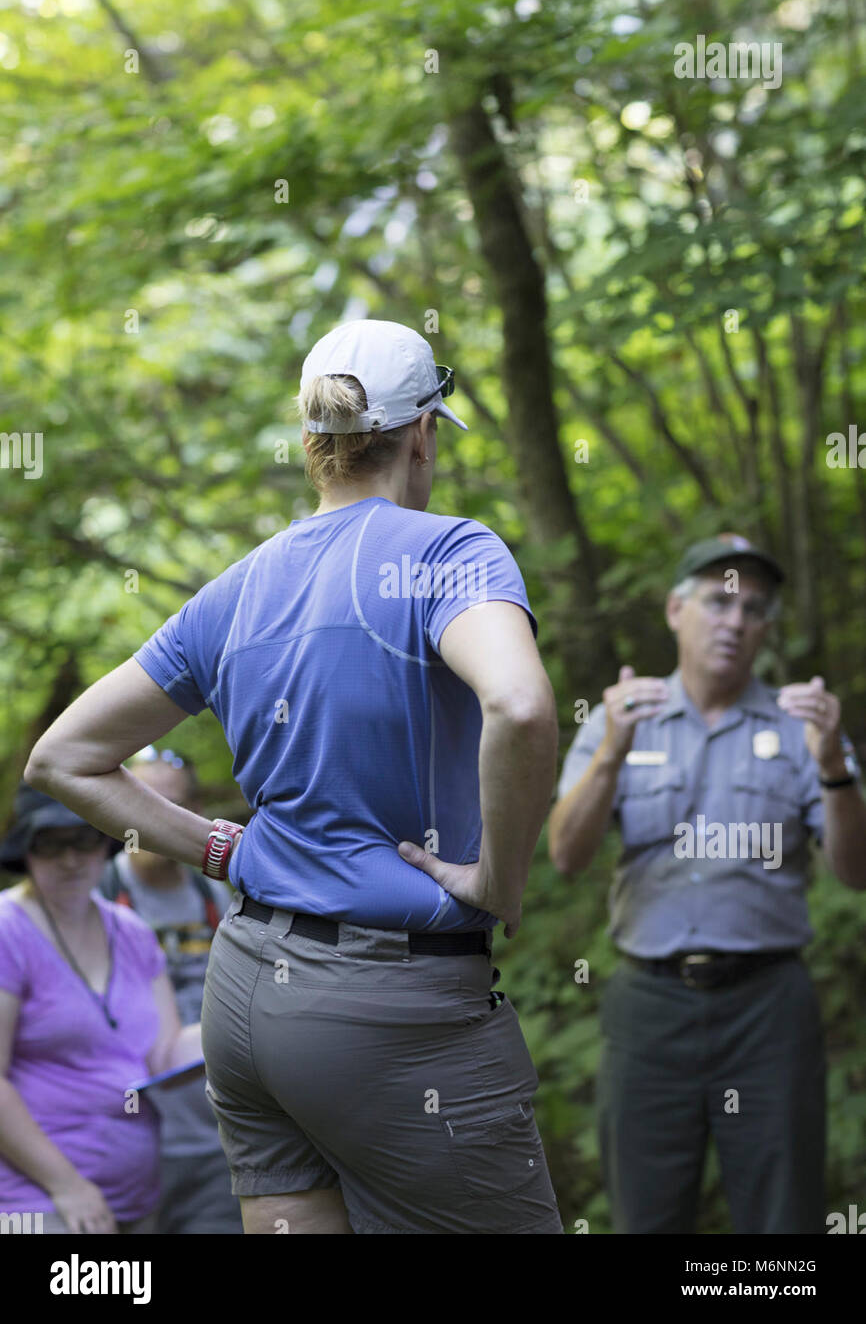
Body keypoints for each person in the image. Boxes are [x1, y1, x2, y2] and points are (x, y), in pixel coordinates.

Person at [22, 318, 563, 1235]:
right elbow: (519, 705)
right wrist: (497, 879)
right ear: (423, 432)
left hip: (244, 1000)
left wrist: (223, 851)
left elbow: (63, 759)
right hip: (394, 1011)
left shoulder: (236, 589)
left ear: (314, 443)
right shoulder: (450, 553)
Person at [549, 533, 866, 1235]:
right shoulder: (618, 719)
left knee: (784, 1224)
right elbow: (566, 857)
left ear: (766, 629)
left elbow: (856, 870)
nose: (734, 620)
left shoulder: (803, 726)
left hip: (769, 1009)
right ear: (674, 610)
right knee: (644, 1213)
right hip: (649, 1005)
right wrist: (609, 755)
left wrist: (835, 769)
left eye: (753, 608)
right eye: (718, 600)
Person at [0, 784, 202, 1233]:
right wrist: (67, 1185)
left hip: (136, 1195)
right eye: (51, 843)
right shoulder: (7, 930)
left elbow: (163, 1056)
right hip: (32, 1200)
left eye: (84, 840)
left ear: (104, 846)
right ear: (27, 850)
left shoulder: (132, 931)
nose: (71, 859)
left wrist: (249, 1019)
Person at [99, 747, 243, 1235]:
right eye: (143, 802)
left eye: (173, 805)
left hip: (214, 1141)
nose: (156, 819)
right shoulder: (93, 894)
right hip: (122, 1138)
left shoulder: (216, 893)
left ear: (197, 815)